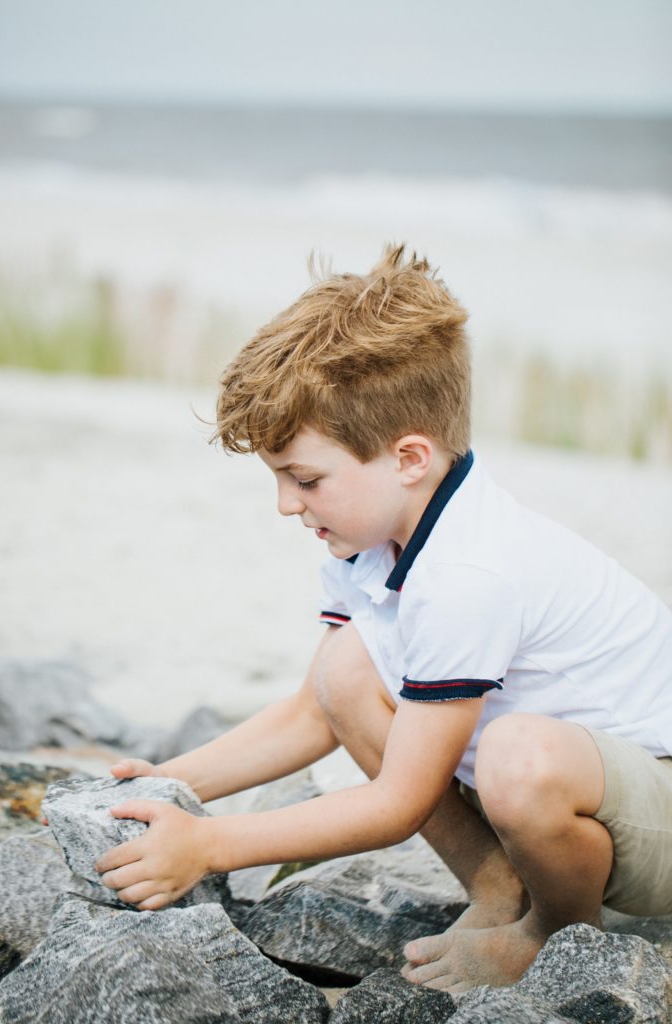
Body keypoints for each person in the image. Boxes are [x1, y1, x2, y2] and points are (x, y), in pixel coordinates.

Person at [95, 245, 672, 993]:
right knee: (344, 667)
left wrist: (207, 847)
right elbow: (314, 712)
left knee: (517, 755)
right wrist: (170, 787)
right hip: (559, 801)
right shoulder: (375, 535)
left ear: (408, 457)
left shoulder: (468, 572)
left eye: (304, 479)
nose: (285, 505)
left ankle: (553, 933)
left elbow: (398, 802)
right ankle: (500, 884)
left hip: (649, 812)